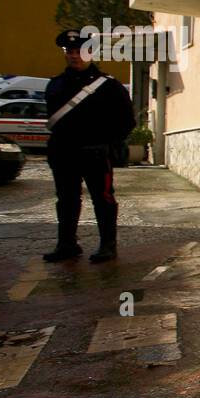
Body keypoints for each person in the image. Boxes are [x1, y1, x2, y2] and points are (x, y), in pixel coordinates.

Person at [42, 29, 135, 263]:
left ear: (91, 52)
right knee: (66, 200)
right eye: (70, 51)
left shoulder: (109, 86)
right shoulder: (55, 85)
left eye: (80, 51)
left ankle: (107, 246)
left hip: (95, 153)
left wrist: (108, 145)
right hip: (64, 153)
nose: (75, 56)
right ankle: (67, 244)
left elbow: (126, 121)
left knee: (102, 199)